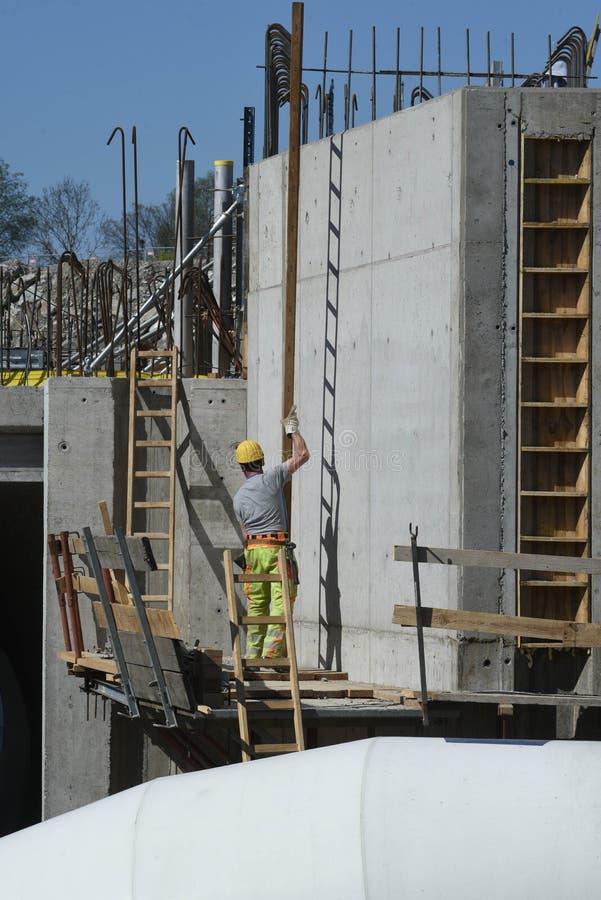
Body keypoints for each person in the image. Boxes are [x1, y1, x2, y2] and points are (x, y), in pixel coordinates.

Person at [233, 405, 310, 662]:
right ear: (262, 460)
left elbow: (245, 535)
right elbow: (302, 454)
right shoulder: (273, 478)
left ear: (242, 466)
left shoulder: (238, 498)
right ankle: (271, 656)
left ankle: (252, 655)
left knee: (257, 605)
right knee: (282, 602)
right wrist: (292, 429)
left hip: (253, 552)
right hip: (276, 550)